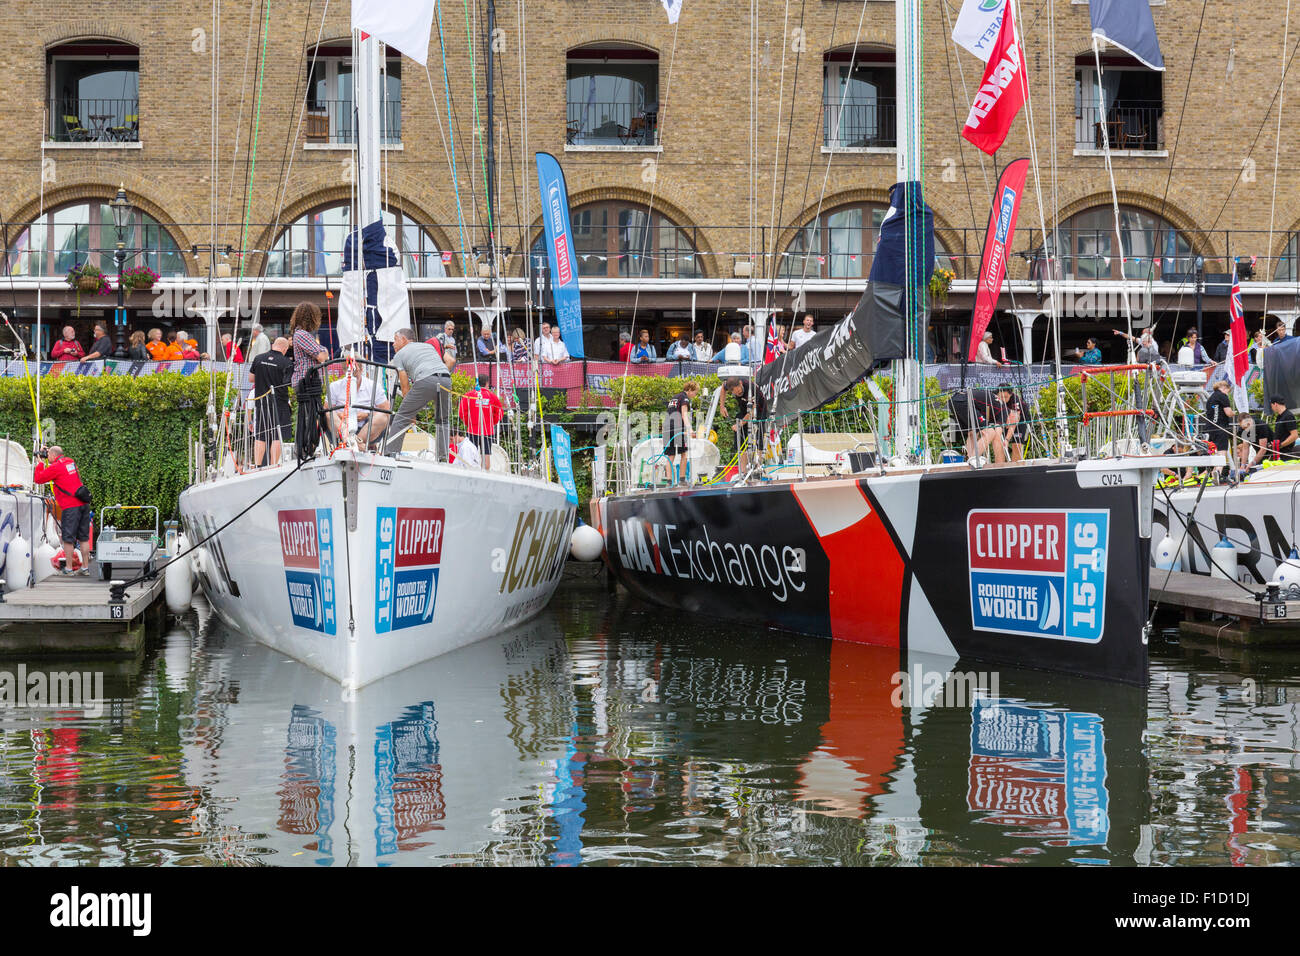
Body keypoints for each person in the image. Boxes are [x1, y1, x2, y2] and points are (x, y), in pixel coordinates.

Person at [384, 328, 452, 458]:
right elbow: (449, 361)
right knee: (443, 420)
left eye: (395, 340)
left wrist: (411, 413)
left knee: (401, 417)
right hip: (446, 378)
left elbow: (404, 385)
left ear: (404, 339)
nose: (393, 344)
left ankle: (390, 454)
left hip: (425, 379)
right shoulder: (427, 346)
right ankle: (443, 457)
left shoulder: (399, 355)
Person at [33, 446, 92, 574]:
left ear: (53, 455)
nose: (47, 457)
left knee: (68, 539)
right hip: (83, 503)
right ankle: (85, 568)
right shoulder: (70, 461)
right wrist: (49, 451)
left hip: (71, 507)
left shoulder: (55, 467)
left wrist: (40, 464)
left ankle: (69, 568)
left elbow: (38, 479)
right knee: (83, 538)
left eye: (48, 455)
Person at [290, 301, 330, 458]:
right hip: (306, 382)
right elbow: (321, 356)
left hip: (307, 381)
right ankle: (305, 451)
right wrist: (324, 350)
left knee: (309, 417)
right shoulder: (303, 335)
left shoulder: (299, 335)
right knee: (309, 417)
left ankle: (307, 449)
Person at [250, 336, 294, 466]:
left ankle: (257, 465)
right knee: (276, 435)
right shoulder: (286, 363)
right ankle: (274, 465)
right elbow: (288, 383)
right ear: (285, 349)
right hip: (279, 403)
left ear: (273, 344)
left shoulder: (258, 358)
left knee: (261, 435)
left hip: (261, 403)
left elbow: (251, 378)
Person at [328, 360, 391, 450]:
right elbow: (327, 409)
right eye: (350, 373)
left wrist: (367, 415)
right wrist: (339, 415)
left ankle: (354, 444)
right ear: (344, 371)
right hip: (342, 427)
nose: (353, 377)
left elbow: (386, 410)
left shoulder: (373, 386)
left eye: (356, 373)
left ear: (362, 370)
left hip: (367, 427)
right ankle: (351, 443)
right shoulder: (334, 386)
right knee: (328, 413)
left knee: (383, 416)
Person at [717, 377, 765, 474]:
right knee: (741, 441)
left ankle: (758, 468)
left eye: (739, 390)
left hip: (759, 411)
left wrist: (740, 424)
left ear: (740, 383)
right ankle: (743, 472)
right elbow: (723, 387)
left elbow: (752, 411)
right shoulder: (730, 385)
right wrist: (722, 406)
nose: (738, 393)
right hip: (743, 410)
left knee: (759, 440)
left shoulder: (751, 389)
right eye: (735, 393)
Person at [458, 373, 505, 470]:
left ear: (476, 383)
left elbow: (462, 412)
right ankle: (485, 476)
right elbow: (500, 413)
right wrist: (492, 423)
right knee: (486, 454)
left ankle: (471, 474)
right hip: (487, 431)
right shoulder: (492, 397)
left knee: (470, 454)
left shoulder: (469, 395)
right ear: (487, 383)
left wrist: (468, 423)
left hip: (472, 430)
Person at [664, 380, 698, 485]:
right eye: (695, 392)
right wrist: (690, 430)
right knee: (684, 454)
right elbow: (684, 415)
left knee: (671, 456)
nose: (695, 395)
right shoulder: (684, 398)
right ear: (689, 390)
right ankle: (682, 480)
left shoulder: (675, 397)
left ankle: (669, 482)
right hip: (676, 429)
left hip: (666, 428)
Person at [1251, 396, 1298, 467]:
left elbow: (1294, 435)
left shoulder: (1288, 416)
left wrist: (1281, 445)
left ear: (1275, 404)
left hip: (1287, 454)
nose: (1271, 408)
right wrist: (1273, 444)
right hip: (1279, 453)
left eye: (1271, 405)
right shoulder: (1279, 417)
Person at [994, 383, 1026, 462]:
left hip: (1020, 420)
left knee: (1016, 446)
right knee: (999, 445)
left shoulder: (1015, 399)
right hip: (1004, 418)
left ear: (1011, 395)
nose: (1003, 399)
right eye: (1000, 397)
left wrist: (1007, 439)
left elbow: (1014, 422)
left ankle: (1015, 468)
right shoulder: (993, 397)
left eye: (1005, 397)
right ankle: (1000, 468)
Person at [1203, 379, 1234, 454]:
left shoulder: (1211, 398)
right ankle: (1219, 466)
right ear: (1224, 388)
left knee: (1212, 455)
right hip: (1220, 429)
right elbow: (1228, 413)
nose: (1227, 394)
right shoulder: (1223, 396)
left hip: (1209, 429)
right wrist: (1233, 413)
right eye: (1228, 391)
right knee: (1221, 456)